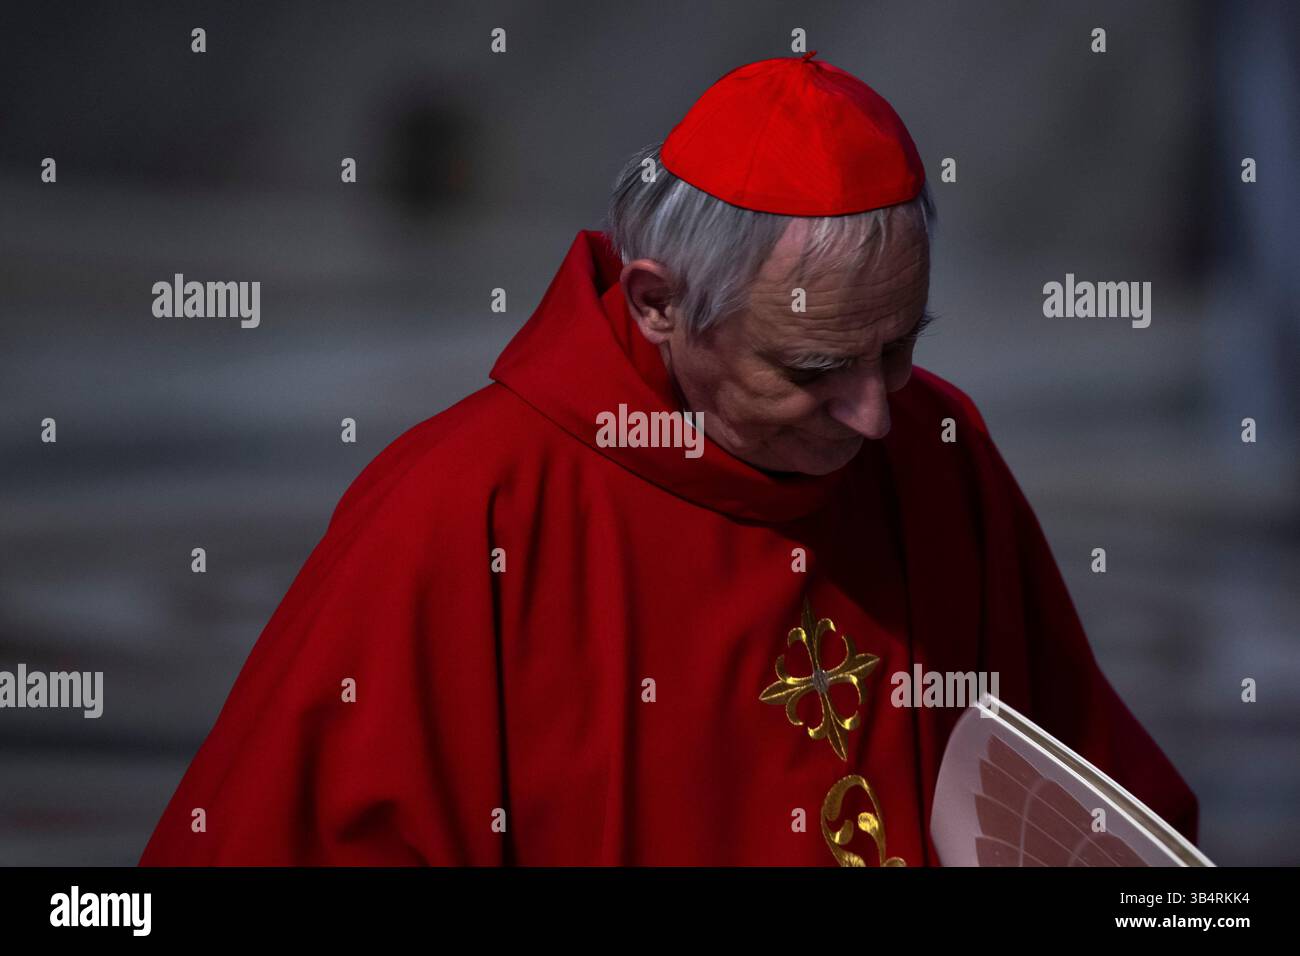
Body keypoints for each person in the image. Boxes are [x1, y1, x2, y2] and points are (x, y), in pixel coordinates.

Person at [139, 53, 1197, 866]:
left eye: (898, 349)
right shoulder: (466, 510)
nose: (875, 415)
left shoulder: (935, 451)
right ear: (658, 304)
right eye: (816, 367)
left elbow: (1091, 807)